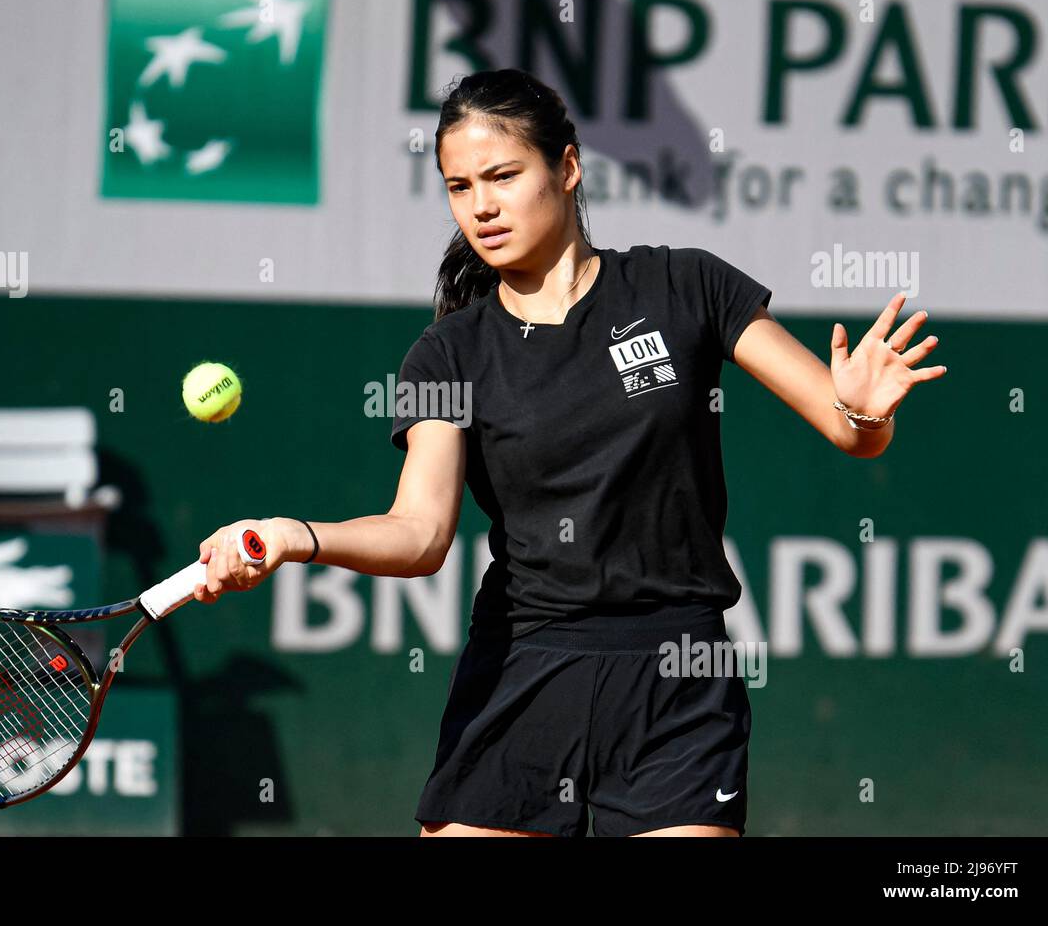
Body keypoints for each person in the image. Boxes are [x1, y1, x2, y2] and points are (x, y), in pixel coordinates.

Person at [189, 68, 946, 837]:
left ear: (569, 167)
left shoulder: (687, 285)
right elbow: (419, 535)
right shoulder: (444, 355)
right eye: (458, 187)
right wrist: (295, 538)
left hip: (677, 681)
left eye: (503, 176)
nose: (480, 205)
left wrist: (864, 408)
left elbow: (851, 431)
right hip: (523, 670)